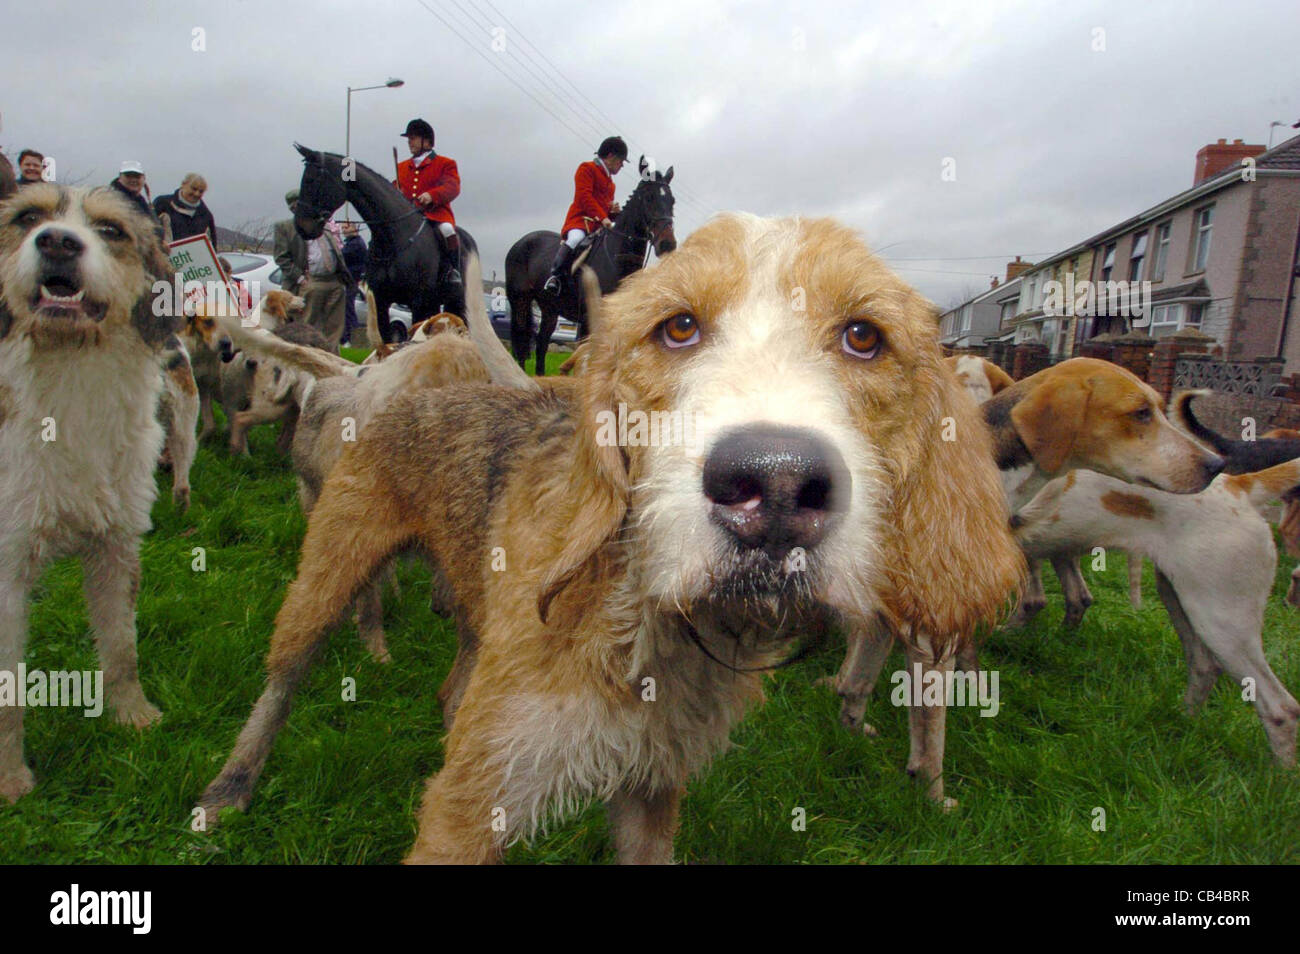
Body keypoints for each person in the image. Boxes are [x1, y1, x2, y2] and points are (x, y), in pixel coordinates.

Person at [543, 136, 627, 295]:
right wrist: (604, 217)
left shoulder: (611, 183)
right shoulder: (587, 169)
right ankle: (555, 277)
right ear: (610, 156)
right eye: (621, 160)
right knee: (574, 239)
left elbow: (604, 209)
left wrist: (612, 212)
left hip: (598, 227)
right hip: (580, 221)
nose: (622, 165)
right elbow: (584, 197)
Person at [273, 189, 352, 350]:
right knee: (307, 326)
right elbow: (281, 257)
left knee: (335, 327)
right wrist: (301, 279)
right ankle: (307, 356)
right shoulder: (285, 227)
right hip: (311, 282)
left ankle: (331, 359)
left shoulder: (323, 224)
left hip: (334, 282)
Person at [394, 118, 462, 290]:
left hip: (435, 215)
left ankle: (453, 270)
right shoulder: (402, 167)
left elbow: (452, 187)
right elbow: (395, 187)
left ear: (427, 141)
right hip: (408, 216)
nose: (410, 142)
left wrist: (432, 195)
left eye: (413, 138)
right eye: (409, 138)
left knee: (447, 230)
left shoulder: (445, 163)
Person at [154, 173, 216, 244]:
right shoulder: (162, 204)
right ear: (183, 184)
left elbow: (212, 244)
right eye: (194, 189)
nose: (196, 194)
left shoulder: (206, 215)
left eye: (201, 191)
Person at [339, 221, 368, 346]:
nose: (344, 230)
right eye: (342, 228)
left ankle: (354, 339)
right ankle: (347, 338)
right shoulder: (351, 243)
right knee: (347, 311)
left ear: (355, 228)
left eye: (347, 227)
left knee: (349, 312)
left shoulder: (356, 244)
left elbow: (341, 255)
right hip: (350, 282)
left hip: (350, 282)